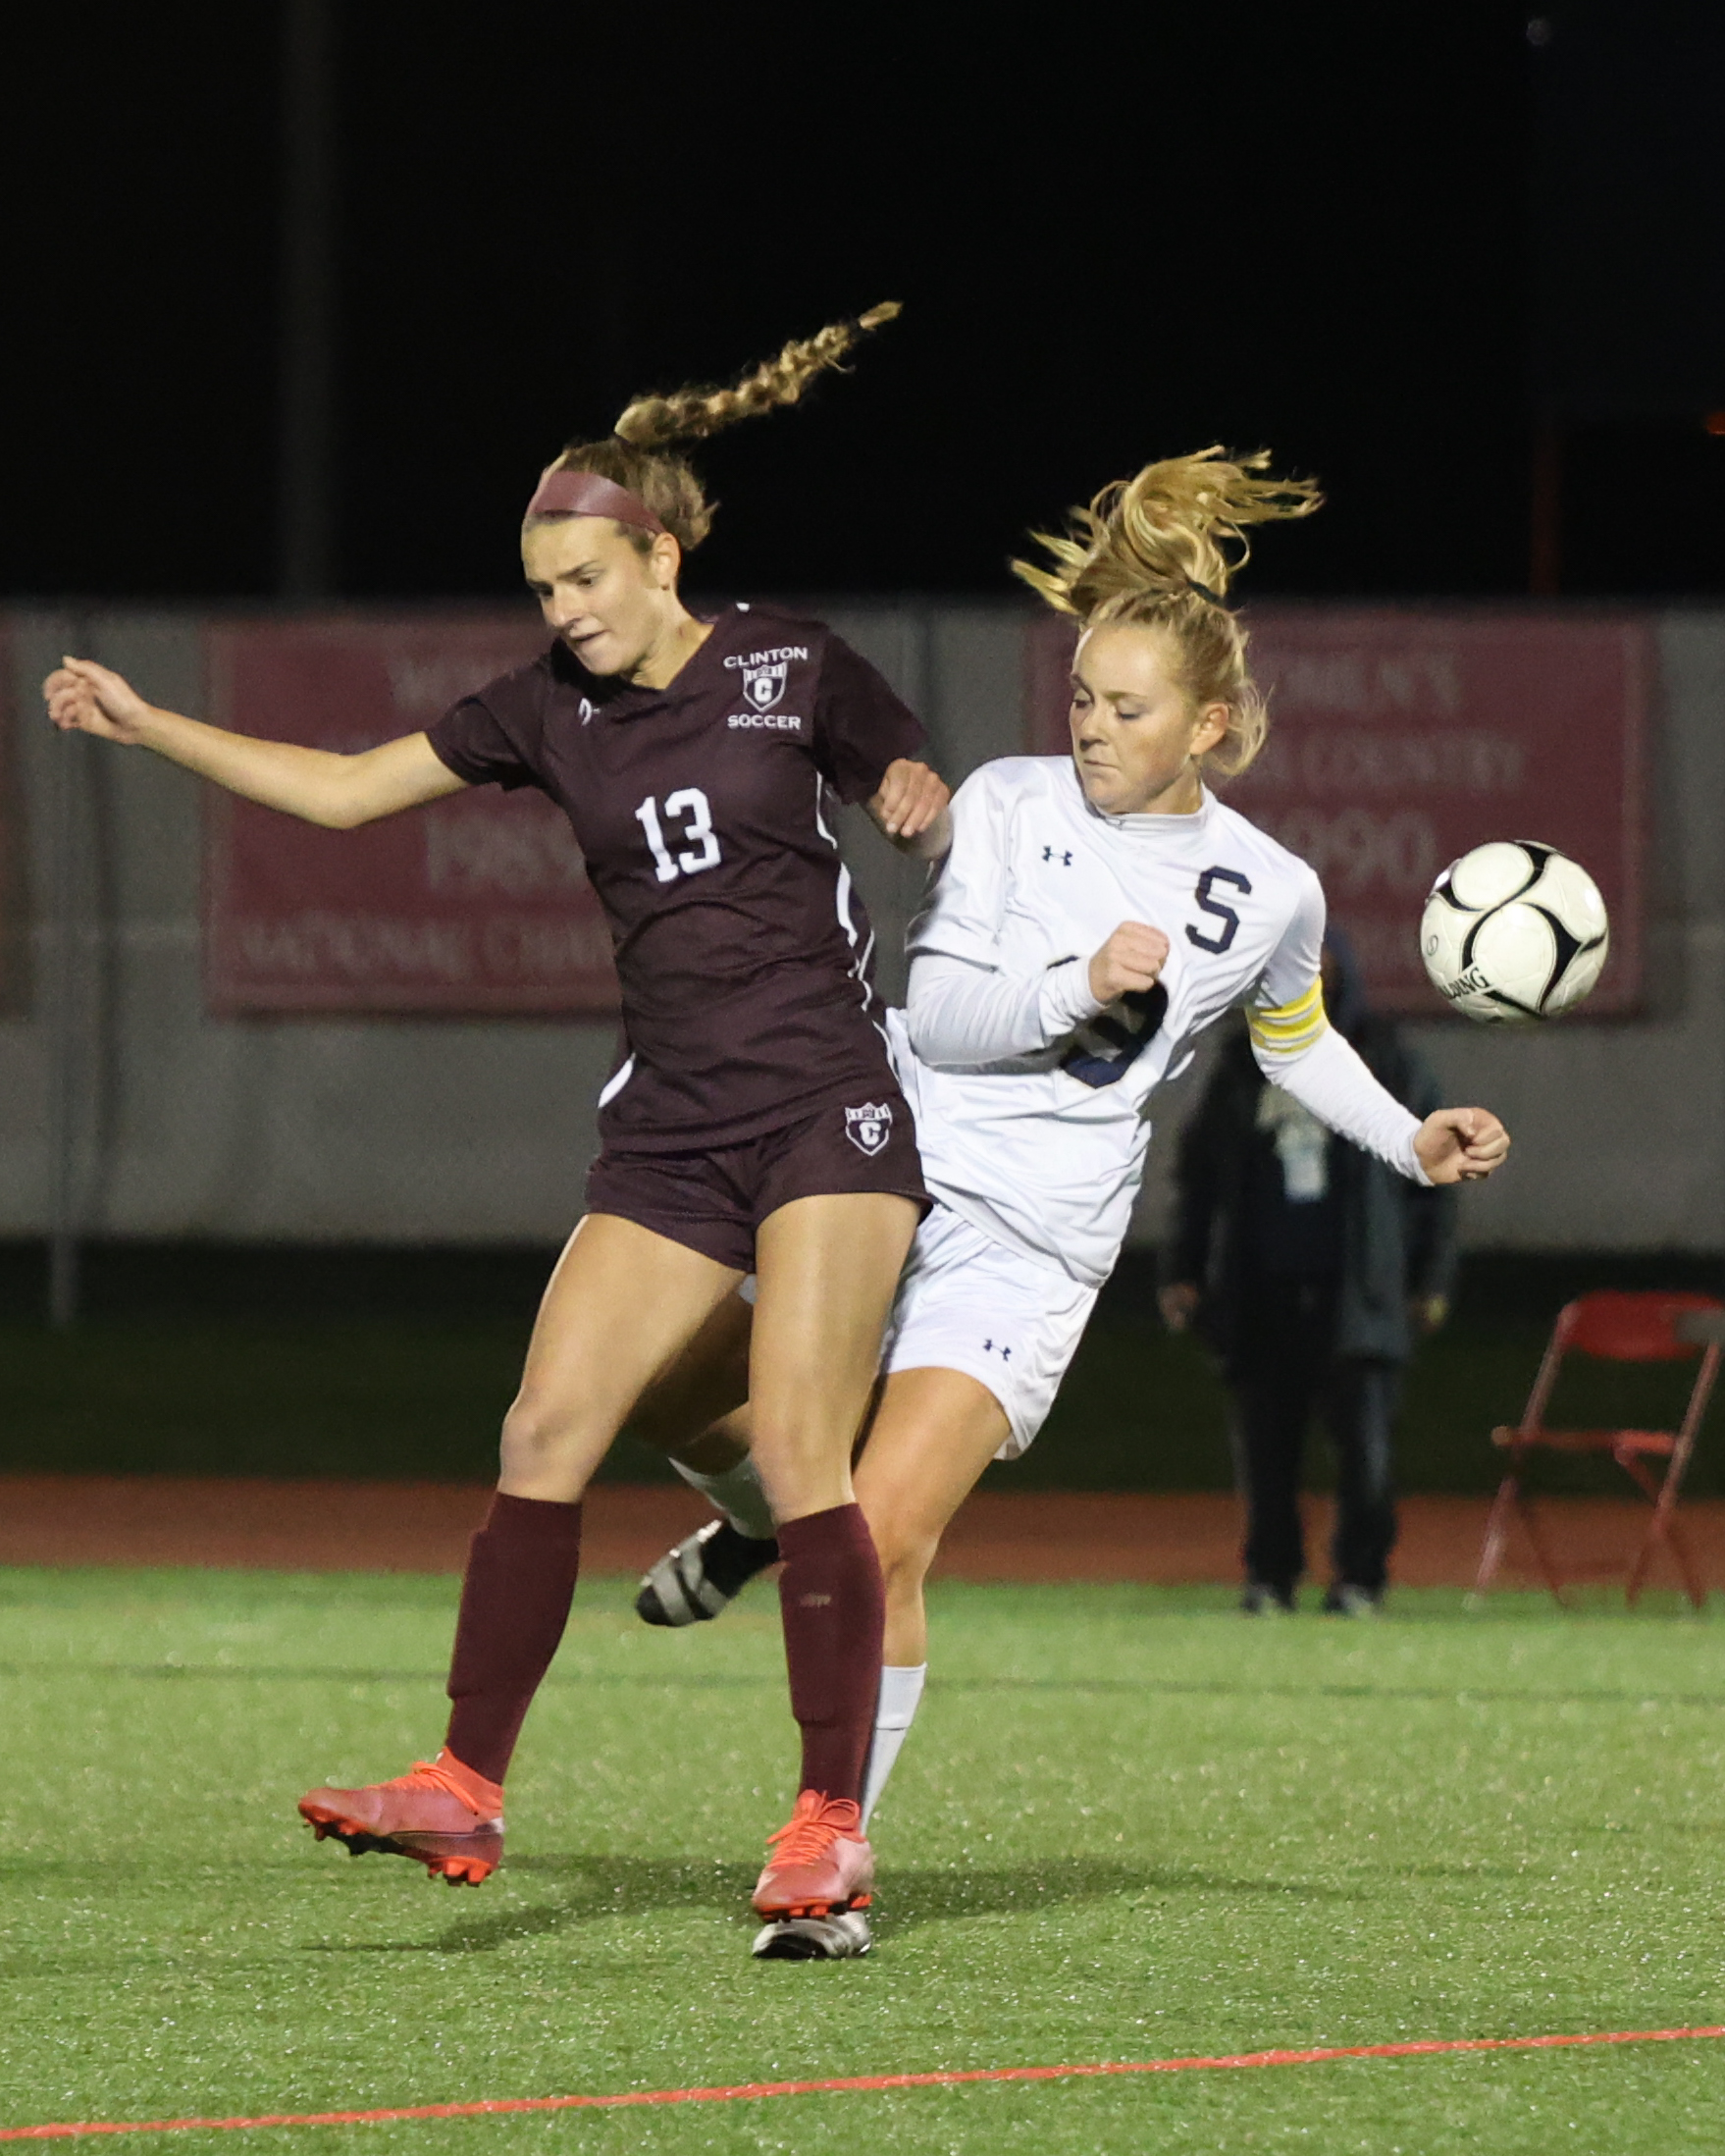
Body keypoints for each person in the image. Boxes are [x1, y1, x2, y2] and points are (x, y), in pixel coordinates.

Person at [41, 306, 952, 1962]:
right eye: (542, 591)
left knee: (809, 1452)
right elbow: (339, 792)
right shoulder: (544, 710)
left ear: (660, 555)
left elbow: (912, 778)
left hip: (826, 1101)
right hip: (672, 1126)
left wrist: (911, 791)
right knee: (545, 1428)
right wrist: (147, 723)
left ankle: (826, 1828)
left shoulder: (788, 661)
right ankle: (465, 1780)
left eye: (583, 583)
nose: (561, 614)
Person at [626, 447, 1512, 1916]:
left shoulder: (1269, 889)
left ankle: (827, 1855)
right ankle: (764, 1516)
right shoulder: (1007, 803)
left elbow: (1293, 1045)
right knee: (667, 1391)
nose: (1092, 728)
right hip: (876, 1164)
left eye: (1128, 708)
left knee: (887, 1534)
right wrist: (1073, 983)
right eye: (1082, 699)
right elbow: (951, 1016)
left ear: (1209, 726)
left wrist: (1406, 1141)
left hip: (1028, 1243)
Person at [1159, 934, 1458, 1613]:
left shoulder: (1384, 1060)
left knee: (1366, 1454)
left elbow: (1434, 1182)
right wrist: (1183, 1269)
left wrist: (1430, 1279)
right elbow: (1200, 1181)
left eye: (1320, 964)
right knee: (1266, 1453)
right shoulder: (1242, 1066)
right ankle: (1270, 1576)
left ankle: (1359, 1578)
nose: (1308, 977)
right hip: (1261, 1290)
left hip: (1356, 1293)